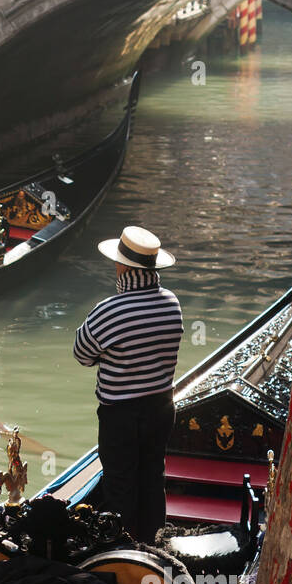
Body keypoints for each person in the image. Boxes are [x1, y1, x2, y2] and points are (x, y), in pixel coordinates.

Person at [73, 226, 184, 544]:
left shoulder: (109, 310)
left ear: (123, 268)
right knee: (152, 477)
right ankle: (152, 544)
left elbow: (82, 355)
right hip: (161, 408)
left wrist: (108, 356)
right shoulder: (172, 304)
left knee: (120, 484)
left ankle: (122, 550)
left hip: (120, 414)